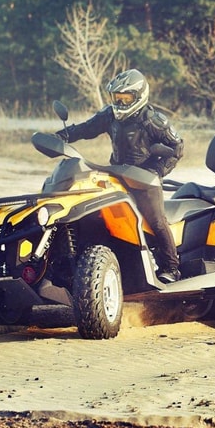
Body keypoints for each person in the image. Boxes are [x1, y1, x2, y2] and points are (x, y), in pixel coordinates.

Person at [57, 69, 184, 283]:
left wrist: (158, 171)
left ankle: (171, 268)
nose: (121, 103)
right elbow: (87, 128)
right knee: (95, 214)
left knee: (157, 221)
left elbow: (177, 147)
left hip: (144, 178)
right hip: (116, 174)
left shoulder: (153, 120)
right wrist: (66, 135)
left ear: (140, 96)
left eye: (126, 98)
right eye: (117, 98)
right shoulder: (109, 115)